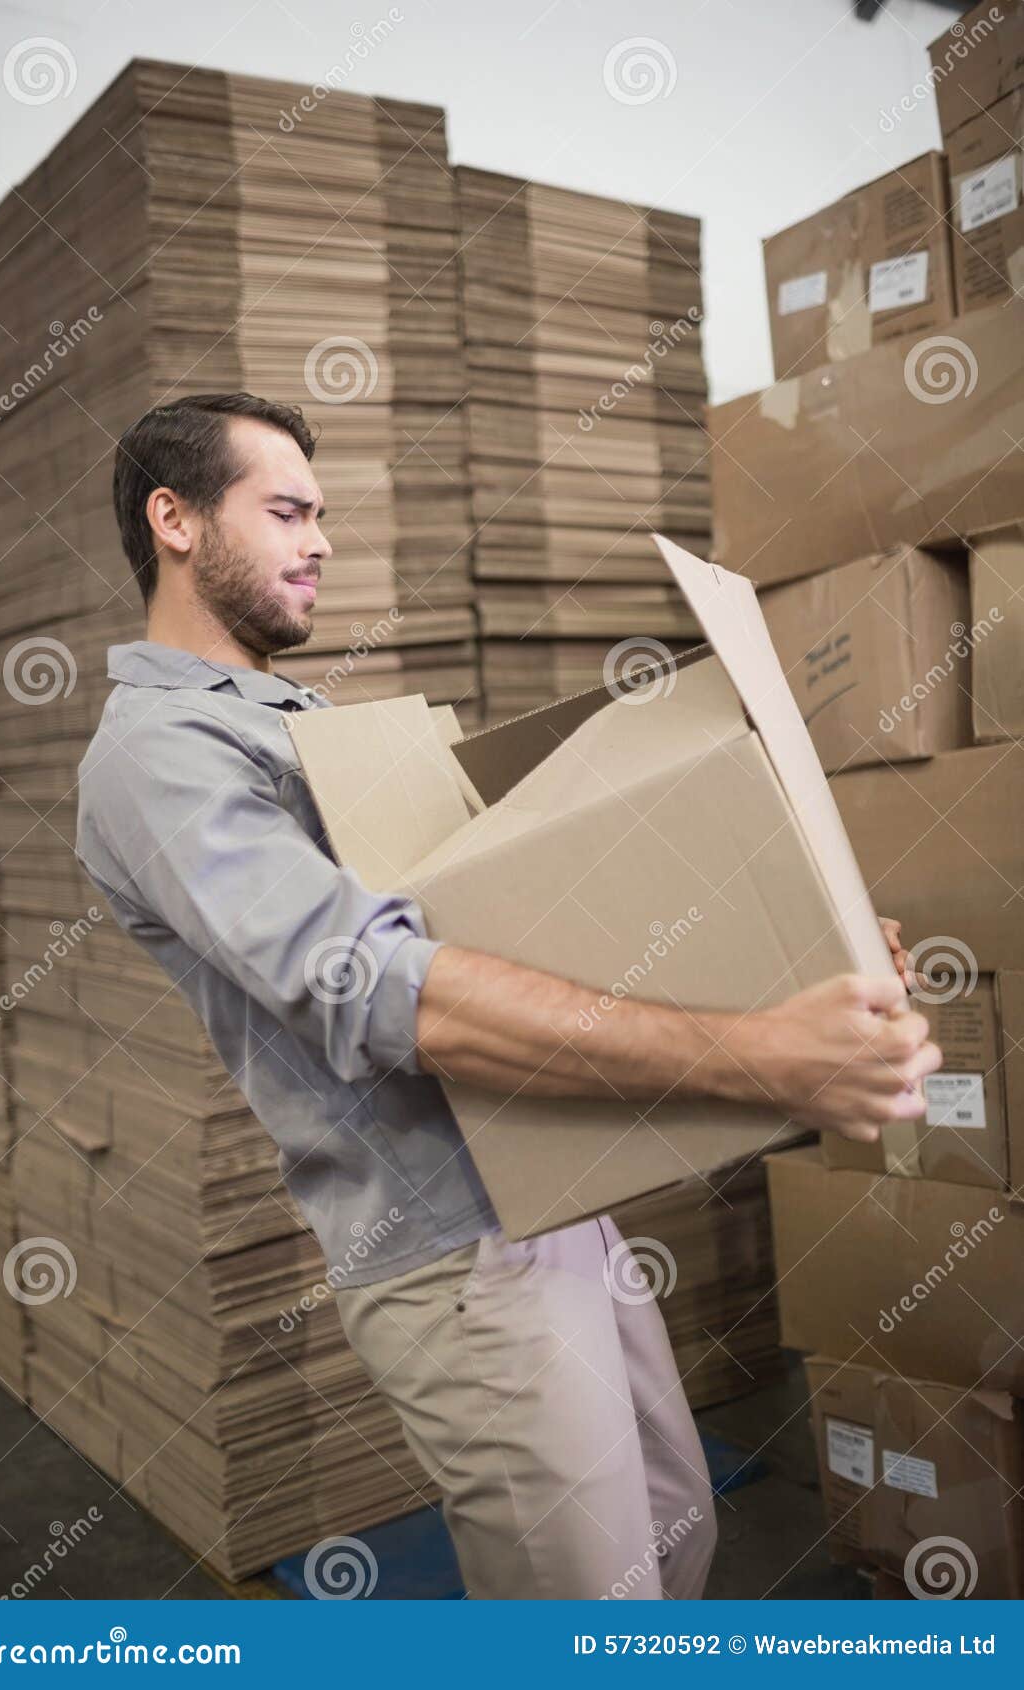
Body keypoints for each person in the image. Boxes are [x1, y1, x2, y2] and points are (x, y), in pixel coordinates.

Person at [75, 392, 940, 1601]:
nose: (320, 541)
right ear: (172, 518)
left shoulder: (298, 720)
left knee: (673, 1531)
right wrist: (759, 1054)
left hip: (547, 1194)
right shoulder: (160, 754)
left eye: (321, 515)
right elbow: (379, 987)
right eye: (285, 511)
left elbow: (522, 915)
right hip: (448, 1250)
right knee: (577, 1618)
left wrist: (805, 957)